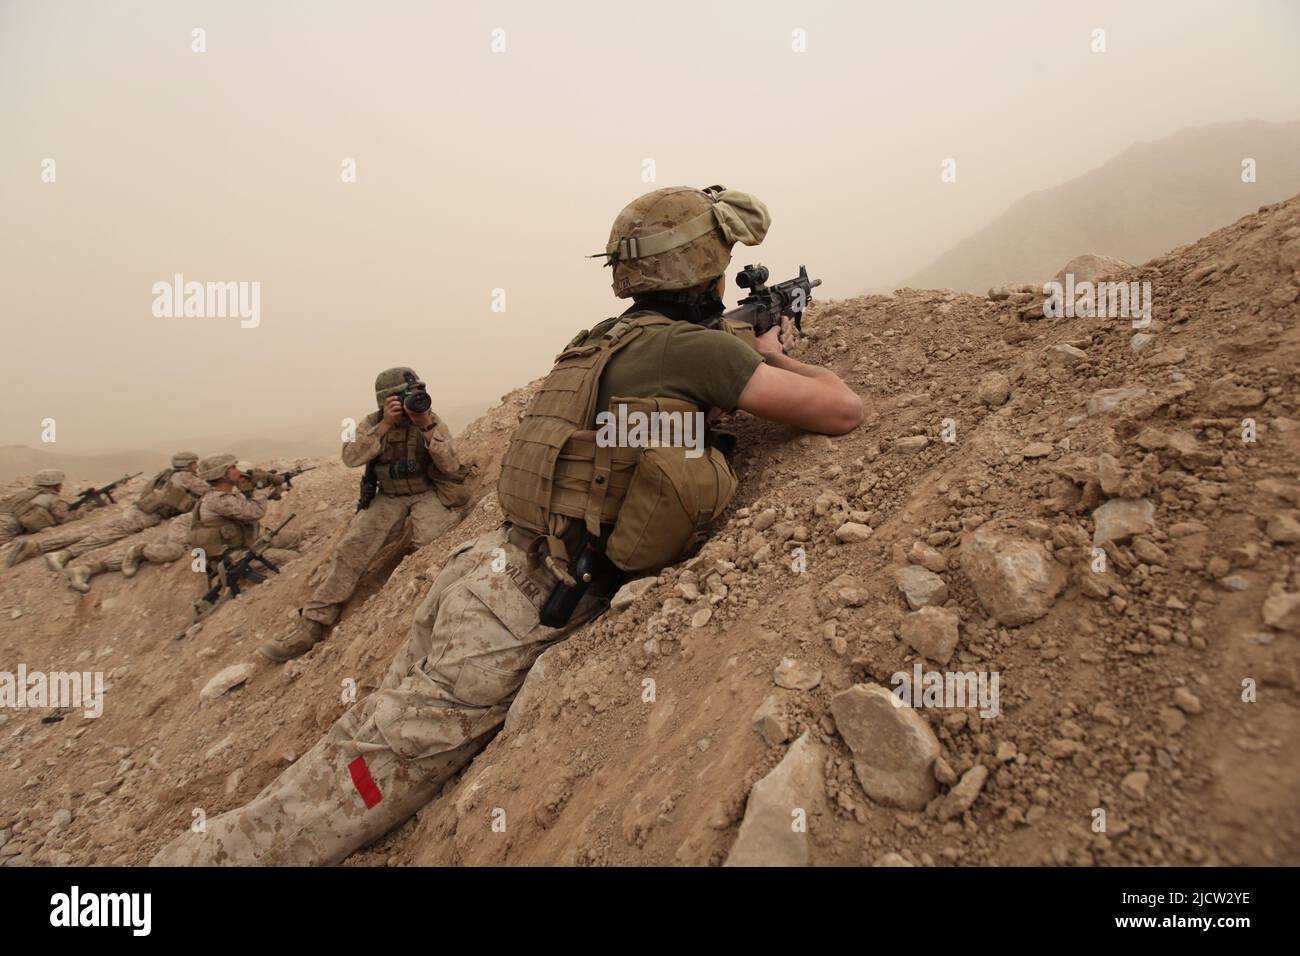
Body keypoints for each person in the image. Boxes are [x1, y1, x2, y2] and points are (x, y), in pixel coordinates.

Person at [151, 184, 862, 866]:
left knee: (367, 735)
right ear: (706, 265)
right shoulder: (696, 351)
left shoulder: (600, 342)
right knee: (367, 774)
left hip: (482, 569)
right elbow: (842, 412)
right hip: (525, 600)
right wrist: (772, 354)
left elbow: (630, 423)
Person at [258, 369, 470, 662]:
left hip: (426, 492)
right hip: (389, 496)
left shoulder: (430, 419)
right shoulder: (371, 423)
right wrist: (384, 425)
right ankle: (314, 622)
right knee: (352, 548)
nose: (414, 400)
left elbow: (449, 466)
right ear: (386, 400)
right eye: (406, 395)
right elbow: (350, 458)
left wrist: (426, 427)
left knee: (433, 545)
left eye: (417, 392)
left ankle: (433, 616)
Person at [7, 451, 205, 570]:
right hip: (147, 515)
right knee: (105, 536)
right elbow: (209, 491)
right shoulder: (187, 477)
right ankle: (64, 555)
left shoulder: (168, 474)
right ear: (189, 464)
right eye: (195, 463)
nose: (197, 466)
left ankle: (38, 547)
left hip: (137, 509)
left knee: (91, 529)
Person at [0, 469, 81, 556]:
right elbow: (64, 518)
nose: (61, 486)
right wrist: (84, 510)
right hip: (5, 531)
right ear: (54, 485)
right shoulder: (51, 498)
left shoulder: (23, 493)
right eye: (60, 483)